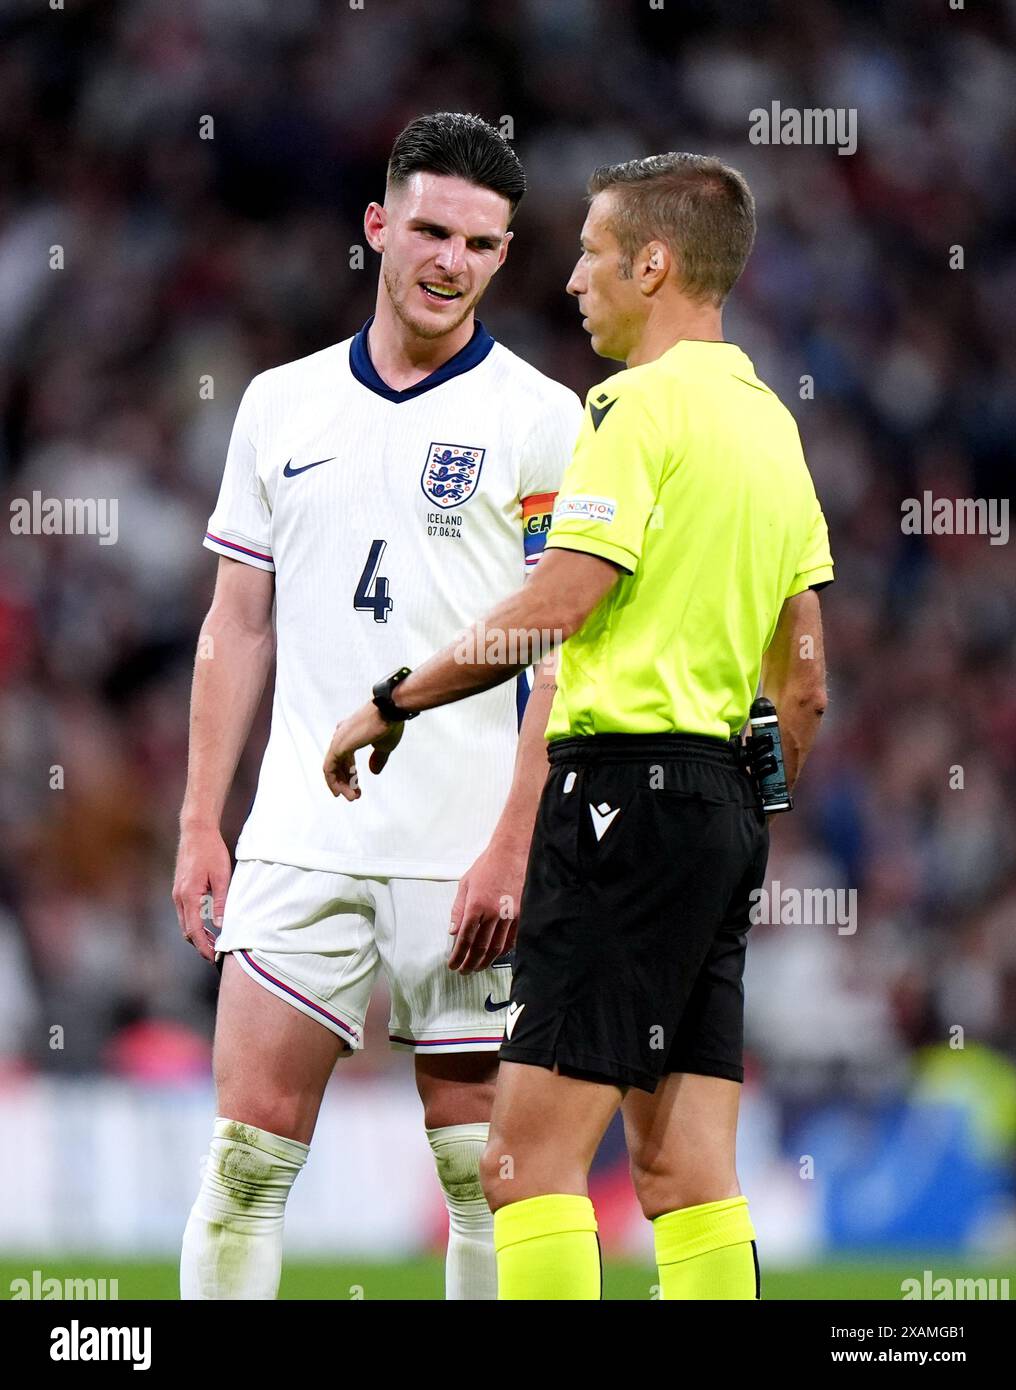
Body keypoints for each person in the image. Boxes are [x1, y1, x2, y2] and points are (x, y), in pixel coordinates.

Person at [322, 152, 833, 1300]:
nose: (570, 282)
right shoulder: (768, 425)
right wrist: (747, 798)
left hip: (616, 802)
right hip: (719, 806)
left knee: (524, 1166)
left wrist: (393, 699)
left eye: (594, 253)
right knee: (685, 1171)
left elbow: (561, 600)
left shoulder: (629, 409)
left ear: (653, 264)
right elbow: (801, 679)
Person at [173, 112, 582, 1300]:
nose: (451, 260)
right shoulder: (277, 404)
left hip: (462, 852)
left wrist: (515, 842)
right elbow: (235, 624)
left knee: (479, 1178)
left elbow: (559, 649)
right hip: (299, 838)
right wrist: (205, 815)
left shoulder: (540, 417)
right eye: (429, 229)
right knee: (244, 1163)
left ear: (504, 256)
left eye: (481, 242)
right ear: (377, 228)